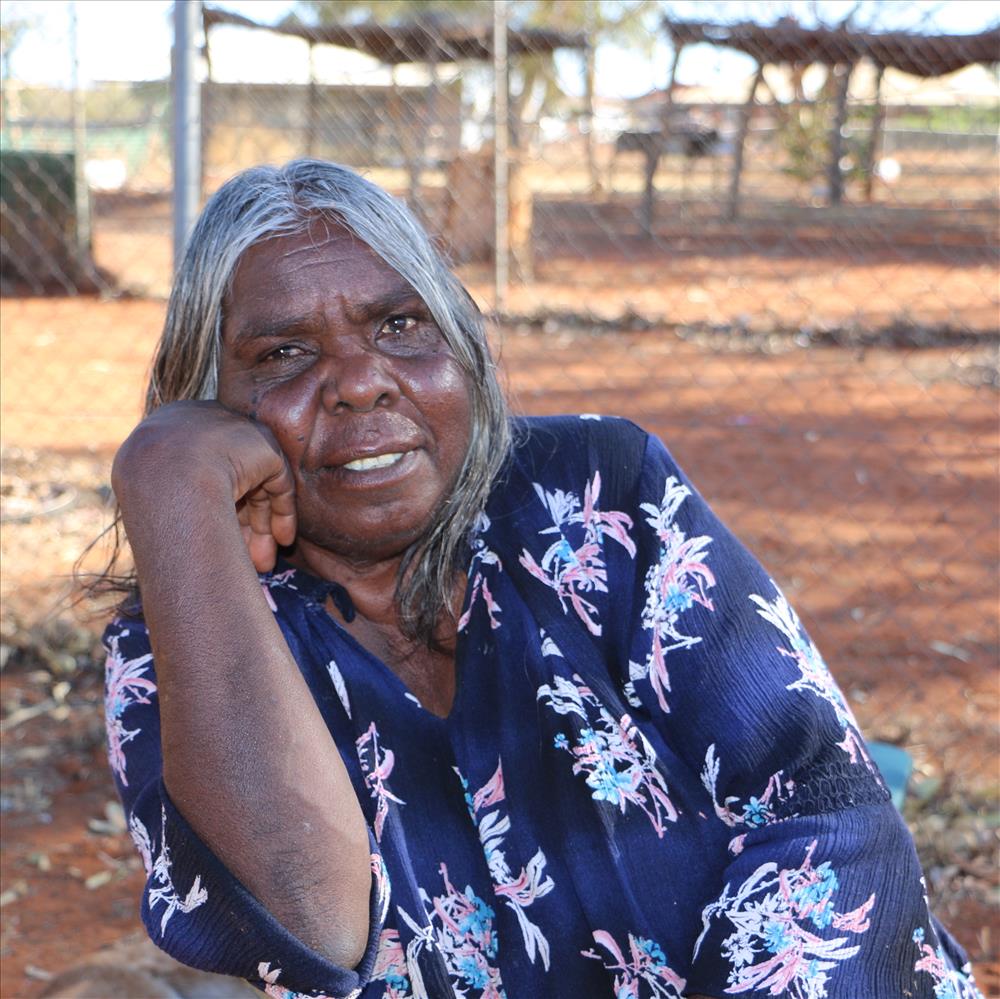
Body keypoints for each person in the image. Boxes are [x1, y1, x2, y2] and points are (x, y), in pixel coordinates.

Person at [102, 159, 982, 999]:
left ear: (463, 348)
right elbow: (309, 928)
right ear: (207, 399)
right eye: (285, 354)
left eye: (401, 326)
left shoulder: (599, 495)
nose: (361, 383)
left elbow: (821, 800)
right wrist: (172, 490)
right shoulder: (180, 646)